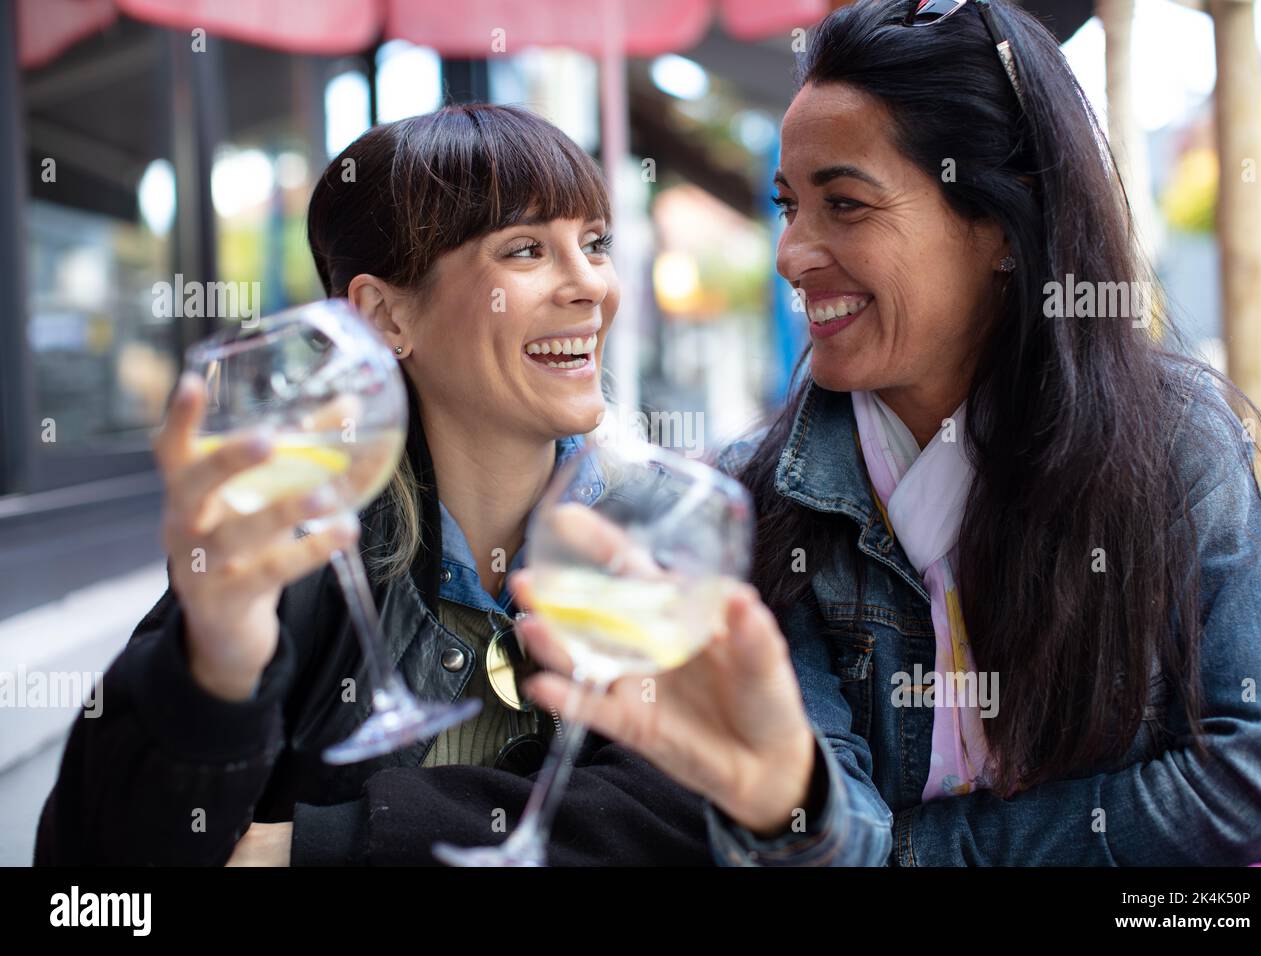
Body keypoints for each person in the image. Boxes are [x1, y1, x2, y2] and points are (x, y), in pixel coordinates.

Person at [516, 0, 1261, 866]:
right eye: (788, 207)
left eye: (844, 205)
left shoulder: (1172, 447)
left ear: (1002, 223)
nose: (790, 253)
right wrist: (790, 796)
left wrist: (921, 850)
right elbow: (838, 834)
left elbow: (1258, 782)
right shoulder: (752, 500)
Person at [34, 103, 822, 866]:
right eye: (524, 250)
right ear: (384, 317)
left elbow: (695, 817)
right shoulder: (293, 560)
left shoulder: (660, 529)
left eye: (595, 242)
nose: (591, 285)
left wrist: (324, 846)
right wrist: (218, 669)